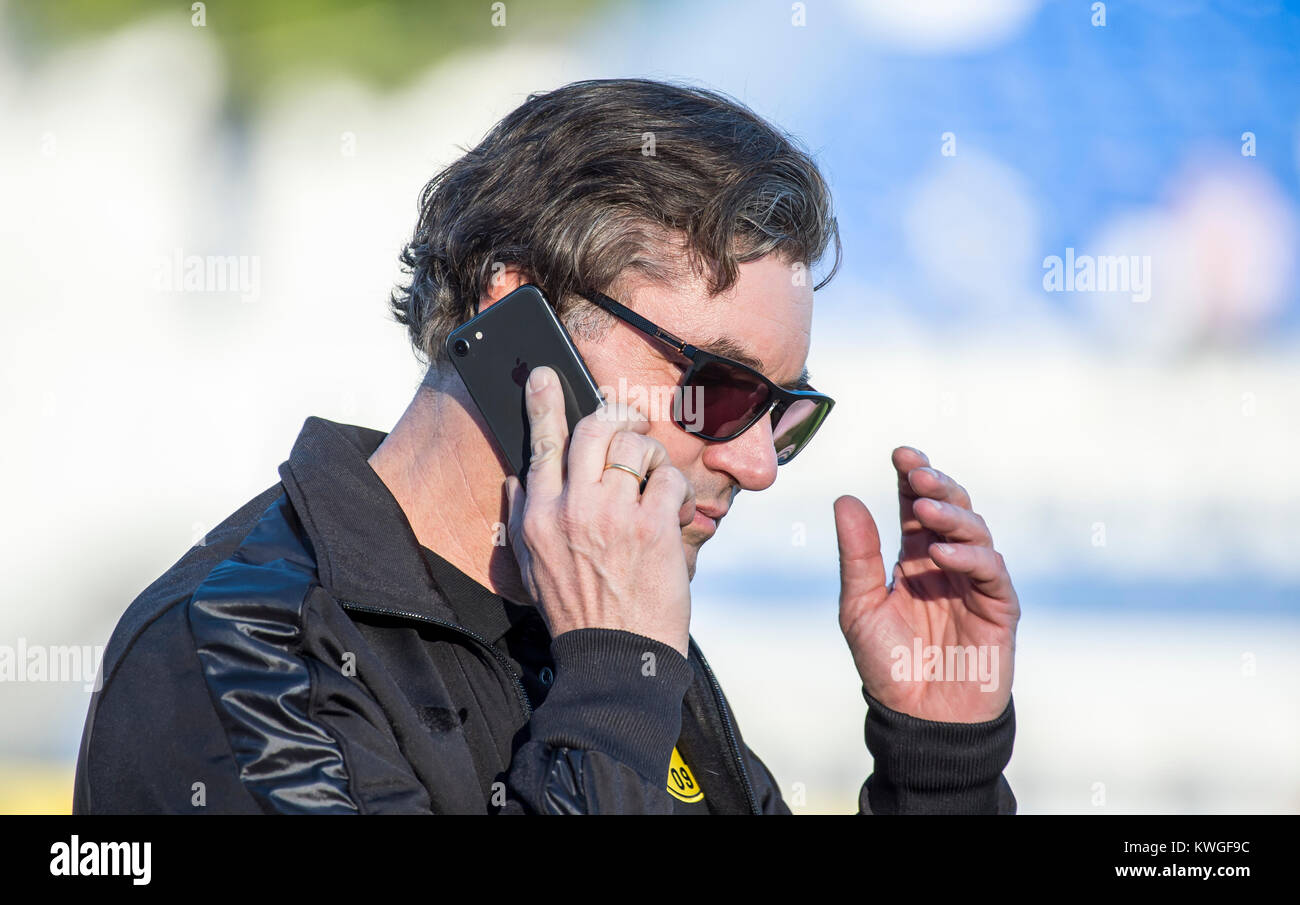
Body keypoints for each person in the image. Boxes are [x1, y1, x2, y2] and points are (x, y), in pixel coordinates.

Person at [73, 78, 1020, 814]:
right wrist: (610, 685)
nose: (758, 462)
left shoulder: (602, 629)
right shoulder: (236, 650)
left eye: (783, 411)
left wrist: (939, 763)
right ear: (519, 313)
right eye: (721, 391)